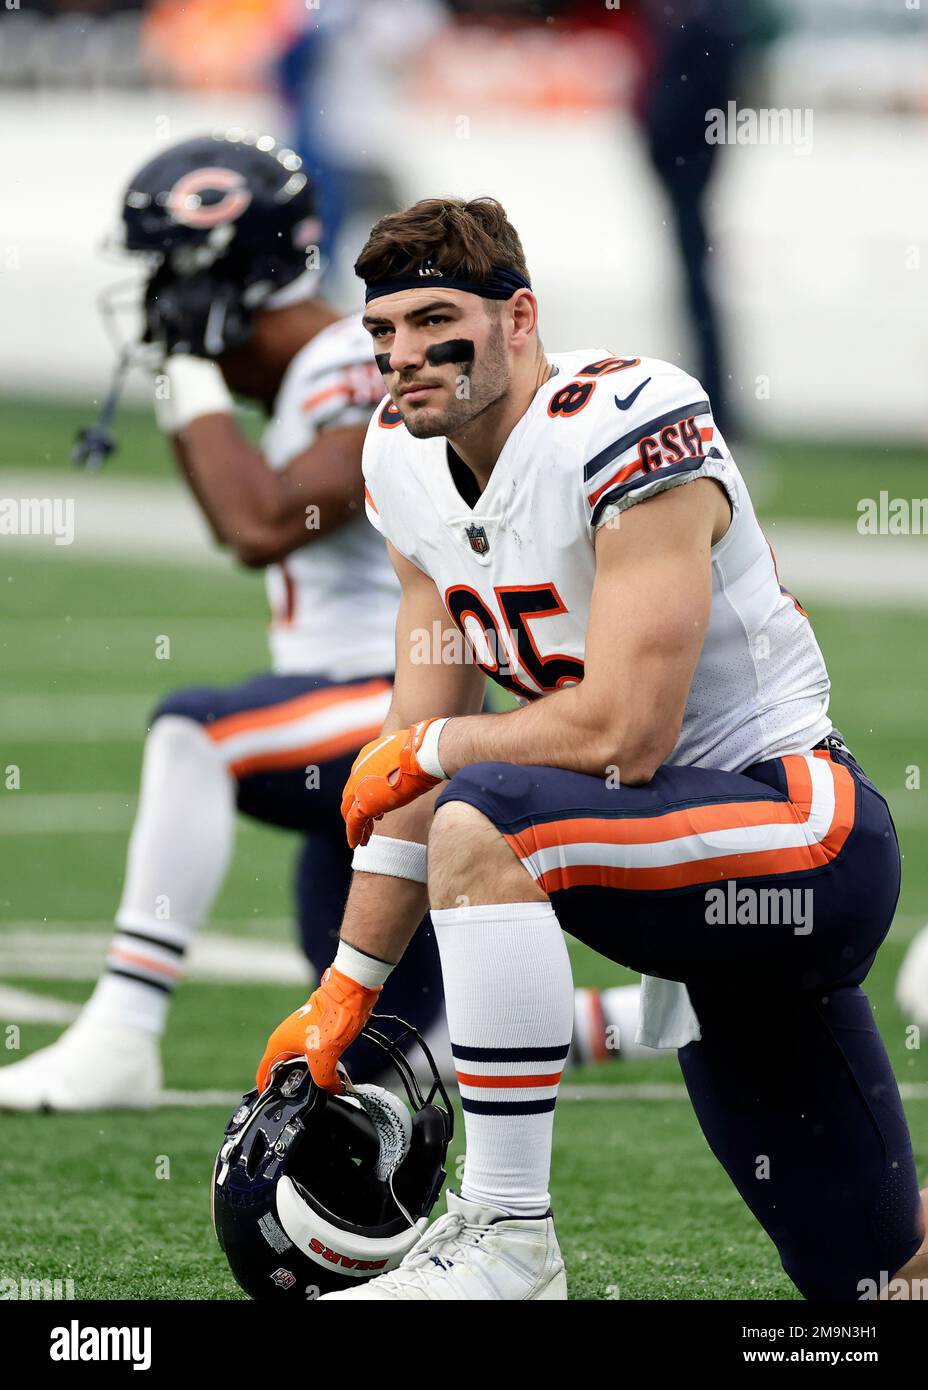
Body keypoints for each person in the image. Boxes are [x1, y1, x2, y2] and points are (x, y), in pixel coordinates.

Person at [256, 195, 928, 1301]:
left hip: (801, 827)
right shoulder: (402, 461)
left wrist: (431, 747)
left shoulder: (627, 416)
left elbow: (624, 732)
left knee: (488, 806)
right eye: (383, 334)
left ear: (518, 318)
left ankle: (510, 1235)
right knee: (875, 1279)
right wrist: (346, 988)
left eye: (434, 322)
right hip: (709, 920)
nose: (404, 357)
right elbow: (405, 764)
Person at [0, 133, 444, 1110]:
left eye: (168, 269)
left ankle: (123, 1028)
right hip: (365, 713)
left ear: (226, 272)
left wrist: (189, 375)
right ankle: (651, 1018)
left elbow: (260, 522)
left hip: (401, 705)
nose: (153, 297)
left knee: (196, 731)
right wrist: (188, 377)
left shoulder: (352, 359)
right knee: (390, 1051)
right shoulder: (311, 376)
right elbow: (248, 515)